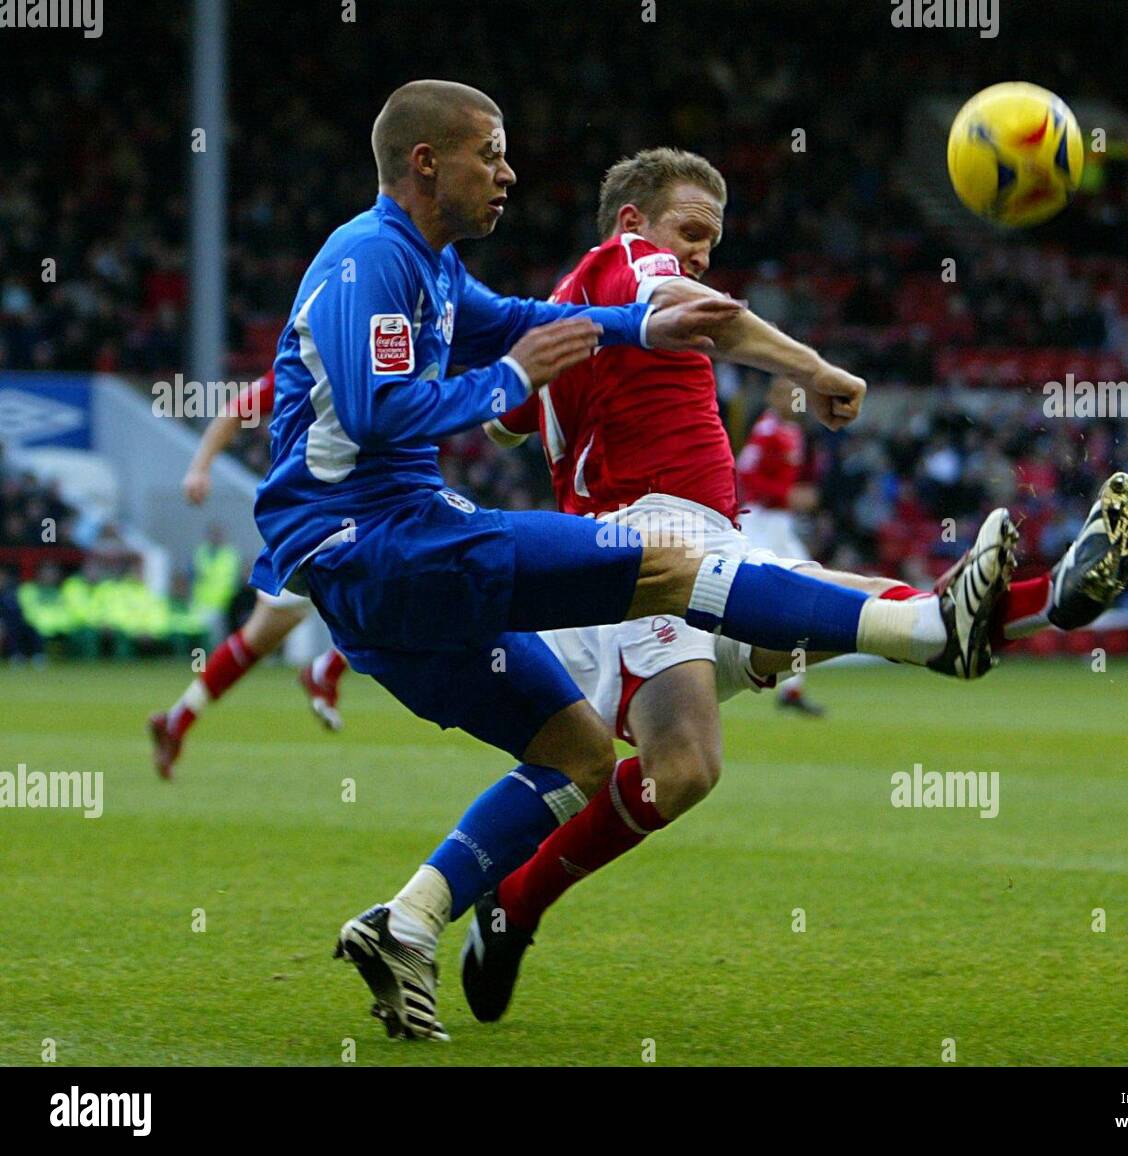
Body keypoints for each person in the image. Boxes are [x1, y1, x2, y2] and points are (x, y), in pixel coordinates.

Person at [253, 79, 1016, 1041]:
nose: (507, 170)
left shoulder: (434, 270)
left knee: (575, 751)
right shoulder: (371, 258)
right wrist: (510, 378)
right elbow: (376, 413)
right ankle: (926, 628)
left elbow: (526, 318)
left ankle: (406, 923)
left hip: (373, 575)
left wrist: (635, 329)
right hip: (383, 536)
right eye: (490, 152)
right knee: (659, 560)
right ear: (425, 162)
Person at [457, 149, 1128, 1024]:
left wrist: (543, 365)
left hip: (704, 540)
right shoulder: (626, 264)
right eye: (690, 231)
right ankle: (510, 906)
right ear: (634, 223)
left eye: (713, 237)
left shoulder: (571, 311)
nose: (702, 252)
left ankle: (1036, 603)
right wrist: (814, 370)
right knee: (687, 765)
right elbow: (701, 317)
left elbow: (506, 425)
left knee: (843, 604)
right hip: (647, 547)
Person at [148, 368, 350, 781]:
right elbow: (238, 410)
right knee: (401, 586)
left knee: (259, 638)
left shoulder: (371, 347)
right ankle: (326, 668)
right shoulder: (313, 359)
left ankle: (178, 718)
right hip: (316, 515)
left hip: (331, 513)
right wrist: (198, 468)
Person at [736, 374, 826, 714]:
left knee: (806, 593)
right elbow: (745, 476)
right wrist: (786, 495)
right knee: (792, 592)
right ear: (774, 397)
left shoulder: (792, 432)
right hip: (760, 521)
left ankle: (791, 688)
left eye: (797, 395)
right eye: (789, 395)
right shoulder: (766, 430)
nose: (794, 402)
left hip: (779, 524)